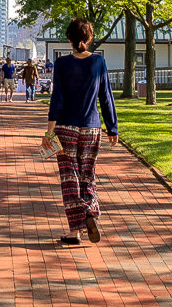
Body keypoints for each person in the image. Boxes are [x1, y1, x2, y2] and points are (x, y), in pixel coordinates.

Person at [40, 17, 116, 245]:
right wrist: (112, 127)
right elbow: (106, 97)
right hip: (92, 128)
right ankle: (90, 211)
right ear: (90, 38)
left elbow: (58, 98)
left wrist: (49, 131)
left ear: (69, 40)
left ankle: (75, 231)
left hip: (66, 128)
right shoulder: (98, 63)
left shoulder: (62, 64)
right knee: (88, 175)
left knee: (69, 179)